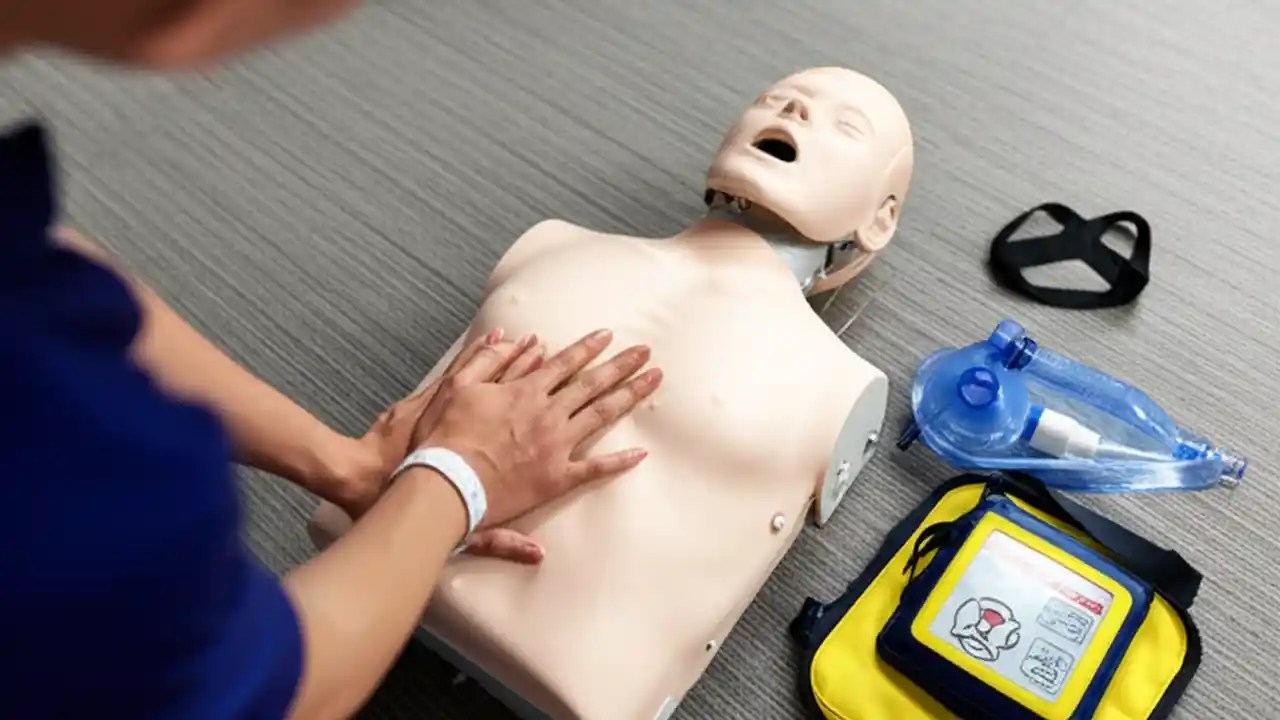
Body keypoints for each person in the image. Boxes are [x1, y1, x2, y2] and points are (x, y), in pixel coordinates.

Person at [0, 2, 663, 719]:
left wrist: (343, 463)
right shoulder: (76, 472)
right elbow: (260, 695)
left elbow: (39, 270)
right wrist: (459, 477)